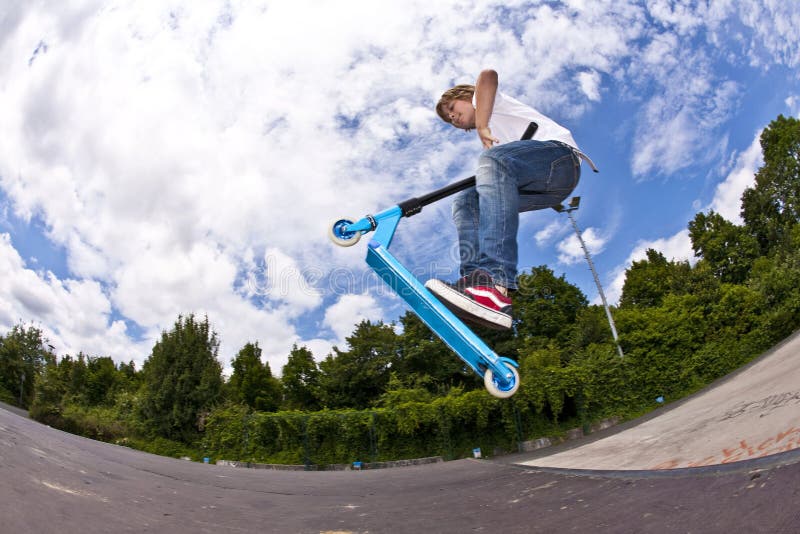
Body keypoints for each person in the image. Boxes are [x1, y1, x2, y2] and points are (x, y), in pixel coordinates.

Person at [425, 69, 596, 330]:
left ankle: (495, 278)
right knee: (467, 202)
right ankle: (477, 285)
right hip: (540, 188)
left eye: (451, 108)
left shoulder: (488, 104)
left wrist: (482, 125)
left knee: (493, 160)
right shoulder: (497, 142)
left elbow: (487, 76)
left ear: (465, 96)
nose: (451, 117)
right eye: (449, 119)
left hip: (559, 160)